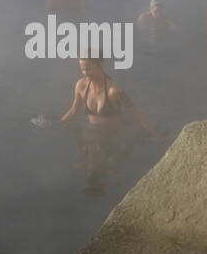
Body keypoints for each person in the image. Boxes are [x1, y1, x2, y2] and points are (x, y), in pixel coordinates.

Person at [58, 57, 157, 193]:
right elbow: (74, 110)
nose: (85, 73)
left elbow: (135, 112)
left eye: (89, 69)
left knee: (109, 159)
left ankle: (93, 181)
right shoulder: (81, 85)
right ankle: (93, 180)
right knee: (87, 149)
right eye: (82, 69)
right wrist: (59, 124)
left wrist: (154, 133)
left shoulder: (113, 90)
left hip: (114, 133)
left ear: (100, 65)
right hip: (92, 131)